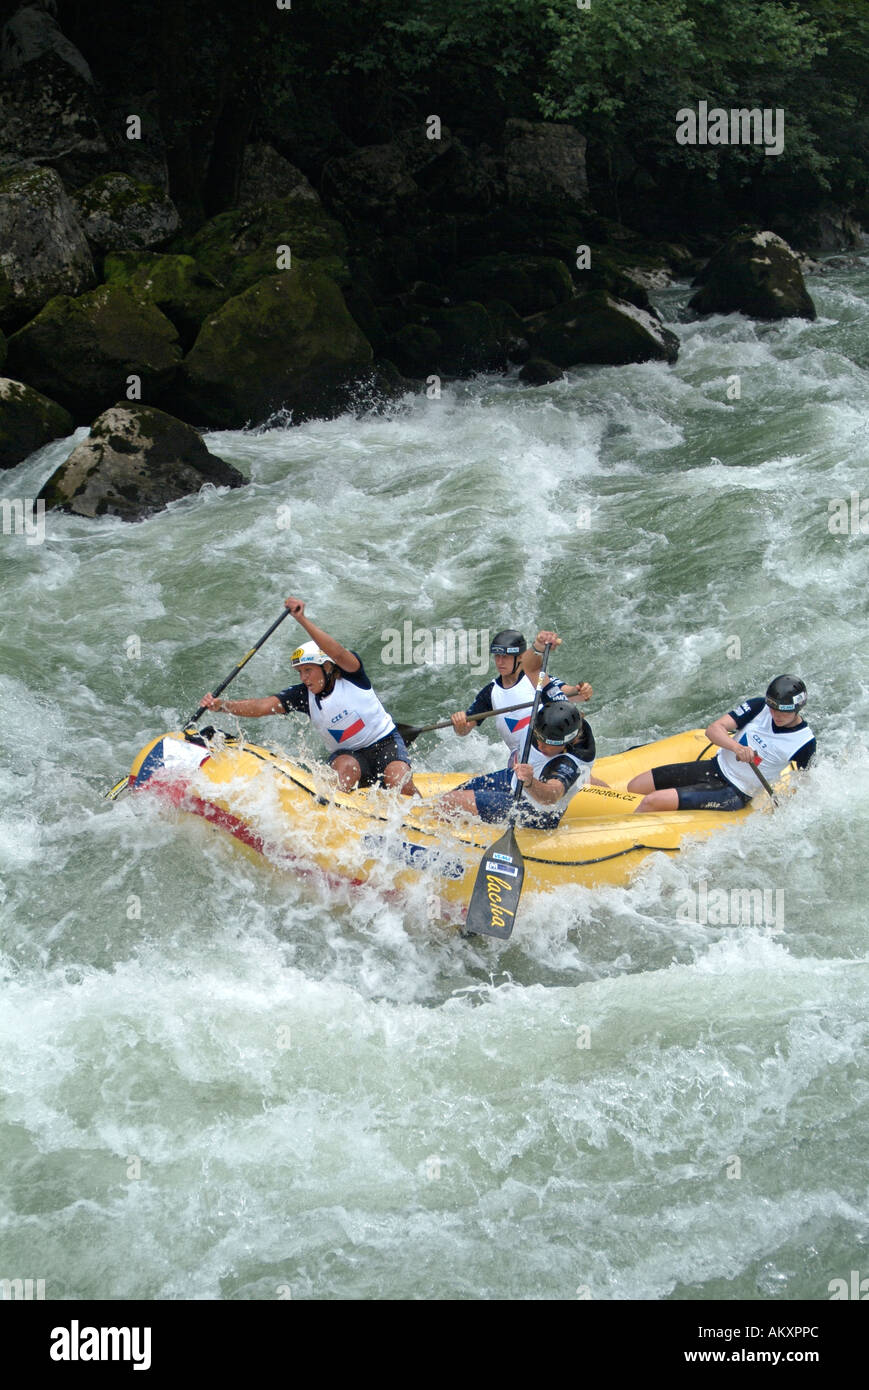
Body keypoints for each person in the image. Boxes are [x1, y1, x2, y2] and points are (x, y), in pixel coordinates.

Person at [200, 597, 419, 795]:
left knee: (398, 779)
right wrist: (222, 705)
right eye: (300, 673)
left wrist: (301, 619)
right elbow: (262, 707)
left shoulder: (352, 675)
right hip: (350, 757)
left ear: (326, 666)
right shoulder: (303, 696)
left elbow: (338, 653)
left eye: (308, 670)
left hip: (385, 743)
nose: (304, 678)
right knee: (345, 770)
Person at [627, 675, 816, 813]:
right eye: (773, 709)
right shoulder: (759, 707)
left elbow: (805, 782)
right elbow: (713, 729)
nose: (776, 715)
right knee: (636, 786)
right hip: (713, 768)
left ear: (797, 708)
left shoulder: (804, 743)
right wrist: (737, 748)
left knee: (652, 801)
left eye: (783, 712)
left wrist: (787, 809)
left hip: (733, 792)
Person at [438, 701, 596, 828]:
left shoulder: (571, 761)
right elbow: (533, 669)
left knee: (451, 803)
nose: (540, 747)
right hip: (513, 780)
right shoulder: (549, 717)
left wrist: (530, 782)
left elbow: (551, 795)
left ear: (567, 741)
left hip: (534, 810)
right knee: (445, 800)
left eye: (547, 744)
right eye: (538, 739)